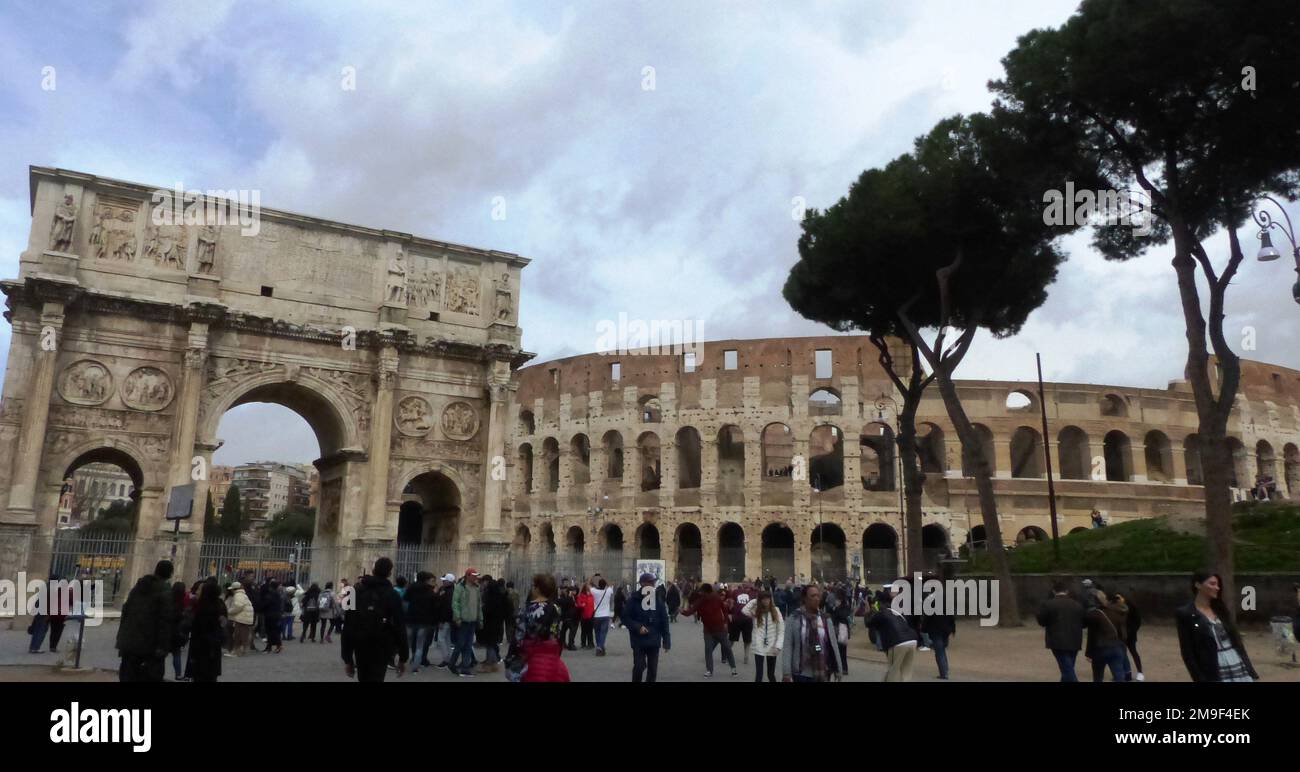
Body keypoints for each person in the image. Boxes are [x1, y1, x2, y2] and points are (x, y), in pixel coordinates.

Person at [1175, 570, 1258, 682]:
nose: (1217, 588)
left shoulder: (1221, 610)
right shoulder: (1186, 614)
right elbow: (1188, 652)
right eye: (1212, 584)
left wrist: (1249, 669)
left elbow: (1237, 643)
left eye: (1218, 584)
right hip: (1212, 667)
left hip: (1235, 662)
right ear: (1198, 585)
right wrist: (1198, 678)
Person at [341, 557, 409, 682]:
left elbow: (348, 624)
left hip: (361, 643)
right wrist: (403, 657)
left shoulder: (355, 592)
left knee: (363, 677)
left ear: (373, 570)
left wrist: (347, 658)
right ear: (389, 573)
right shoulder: (393, 595)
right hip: (382, 644)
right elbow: (399, 626)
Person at [116, 560, 176, 682]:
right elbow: (165, 621)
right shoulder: (164, 591)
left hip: (129, 641)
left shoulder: (138, 587)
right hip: (149, 645)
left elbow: (126, 611)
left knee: (127, 676)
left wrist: (121, 638)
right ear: (170, 574)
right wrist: (162, 647)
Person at [511, 574, 570, 682]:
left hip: (531, 658)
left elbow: (518, 638)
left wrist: (512, 659)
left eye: (534, 586)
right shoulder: (556, 609)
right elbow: (557, 634)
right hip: (552, 658)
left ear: (538, 589)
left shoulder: (528, 609)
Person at [782, 584, 843, 682]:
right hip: (801, 673)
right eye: (813, 596)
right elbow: (788, 645)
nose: (816, 599)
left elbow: (833, 644)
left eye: (818, 596)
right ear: (804, 598)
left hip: (823, 671)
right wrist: (786, 673)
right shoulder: (794, 618)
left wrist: (838, 668)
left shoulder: (825, 618)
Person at [622, 572, 672, 683]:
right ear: (642, 584)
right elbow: (625, 618)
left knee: (653, 670)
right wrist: (637, 626)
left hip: (654, 639)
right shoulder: (633, 599)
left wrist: (666, 640)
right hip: (638, 639)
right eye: (650, 582)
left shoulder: (658, 600)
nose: (653, 584)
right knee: (639, 667)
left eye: (653, 582)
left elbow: (664, 620)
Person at [682, 583, 736, 677]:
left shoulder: (716, 598)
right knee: (708, 649)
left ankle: (733, 668)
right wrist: (682, 611)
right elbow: (690, 612)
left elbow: (724, 610)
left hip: (720, 629)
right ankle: (709, 670)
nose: (702, 594)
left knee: (727, 647)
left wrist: (725, 622)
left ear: (706, 592)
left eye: (702, 592)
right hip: (708, 630)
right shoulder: (701, 600)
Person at [867, 586, 918, 682]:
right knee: (906, 671)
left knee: (893, 670)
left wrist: (868, 612)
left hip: (898, 641)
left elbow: (869, 623)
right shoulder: (895, 609)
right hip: (912, 639)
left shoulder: (882, 610)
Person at [1036, 580, 1085, 682]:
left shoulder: (1048, 604)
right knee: (1068, 667)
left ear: (1054, 591)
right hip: (1075, 639)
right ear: (1067, 591)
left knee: (1067, 669)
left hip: (1057, 640)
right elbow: (1084, 623)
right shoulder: (1077, 605)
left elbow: (1042, 621)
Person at [185, 578, 226, 682]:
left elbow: (196, 631)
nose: (196, 592)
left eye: (199, 590)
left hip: (203, 655)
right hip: (211, 654)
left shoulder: (204, 610)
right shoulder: (217, 605)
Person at [1084, 590, 1128, 682]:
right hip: (1116, 646)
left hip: (1101, 648)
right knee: (1119, 676)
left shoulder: (1095, 615)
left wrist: (1089, 652)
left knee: (1098, 677)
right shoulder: (1118, 611)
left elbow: (1091, 635)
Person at [743, 591, 784, 682]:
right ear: (760, 600)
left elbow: (781, 631)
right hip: (759, 645)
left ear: (770, 599)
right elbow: (744, 610)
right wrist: (755, 600)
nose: (766, 601)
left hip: (772, 645)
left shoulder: (776, 611)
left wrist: (778, 646)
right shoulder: (755, 611)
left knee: (771, 674)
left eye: (768, 599)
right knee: (759, 674)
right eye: (763, 599)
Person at [451, 568, 484, 677]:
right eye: (474, 575)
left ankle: (465, 667)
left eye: (476, 575)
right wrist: (457, 618)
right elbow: (455, 603)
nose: (476, 577)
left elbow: (479, 605)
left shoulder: (476, 588)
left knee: (468, 645)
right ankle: (453, 663)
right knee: (460, 644)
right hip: (463, 620)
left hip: (472, 620)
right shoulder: (460, 587)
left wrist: (480, 619)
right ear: (468, 576)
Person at [405, 572, 437, 672]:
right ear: (426, 579)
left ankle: (406, 661)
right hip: (424, 620)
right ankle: (415, 666)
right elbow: (434, 605)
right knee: (420, 644)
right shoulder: (429, 590)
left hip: (410, 619)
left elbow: (405, 600)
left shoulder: (411, 588)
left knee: (409, 643)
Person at [1113, 590, 1144, 681]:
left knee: (1133, 652)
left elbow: (1138, 621)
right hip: (1120, 635)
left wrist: (1132, 631)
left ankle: (1140, 672)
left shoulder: (1132, 607)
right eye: (1116, 598)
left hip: (1130, 635)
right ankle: (1123, 673)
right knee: (1121, 654)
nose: (1118, 600)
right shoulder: (1116, 608)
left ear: (1124, 597)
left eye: (1119, 598)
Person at [921, 607, 955, 680]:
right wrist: (952, 629)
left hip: (936, 631)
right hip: (945, 631)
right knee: (942, 650)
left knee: (939, 652)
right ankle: (945, 669)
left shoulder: (932, 605)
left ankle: (944, 672)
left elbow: (927, 618)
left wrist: (923, 629)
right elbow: (951, 619)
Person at [169, 581, 192, 681]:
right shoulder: (182, 603)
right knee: (176, 654)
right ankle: (178, 674)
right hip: (176, 633)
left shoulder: (168, 600)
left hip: (166, 631)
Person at [432, 573, 456, 668]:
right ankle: (448, 658)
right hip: (449, 619)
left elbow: (445, 607)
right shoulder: (450, 590)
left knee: (441, 639)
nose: (443, 581)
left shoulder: (447, 591)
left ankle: (446, 659)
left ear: (448, 581)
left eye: (444, 580)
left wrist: (441, 620)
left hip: (445, 619)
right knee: (447, 639)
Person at [225, 581, 254, 657]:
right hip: (246, 617)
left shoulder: (238, 595)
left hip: (242, 618)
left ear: (234, 589)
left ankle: (236, 652)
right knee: (243, 635)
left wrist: (229, 611)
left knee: (237, 635)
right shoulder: (243, 595)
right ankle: (241, 650)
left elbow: (238, 606)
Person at [727, 591, 755, 665]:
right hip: (742, 618)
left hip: (739, 618)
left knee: (736, 639)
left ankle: (745, 656)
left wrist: (730, 612)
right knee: (743, 639)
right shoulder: (751, 593)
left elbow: (730, 603)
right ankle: (745, 656)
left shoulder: (735, 592)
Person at [591, 577, 615, 655]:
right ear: (605, 585)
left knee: (597, 632)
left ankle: (599, 646)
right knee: (603, 633)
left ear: (598, 584)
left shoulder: (594, 591)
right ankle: (600, 647)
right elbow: (611, 584)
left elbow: (587, 584)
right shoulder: (608, 591)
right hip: (605, 615)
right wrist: (604, 577)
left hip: (596, 616)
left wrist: (593, 576)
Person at [260, 579, 284, 653]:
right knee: (272, 631)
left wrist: (259, 607)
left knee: (271, 631)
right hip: (276, 615)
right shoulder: (277, 594)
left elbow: (266, 604)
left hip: (270, 615)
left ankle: (278, 645)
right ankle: (269, 647)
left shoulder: (270, 595)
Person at [557, 586, 579, 651]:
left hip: (573, 617)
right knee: (565, 631)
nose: (574, 592)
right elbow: (563, 603)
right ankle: (568, 644)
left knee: (570, 631)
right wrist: (569, 596)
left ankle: (568, 643)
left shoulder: (574, 597)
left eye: (575, 591)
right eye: (573, 591)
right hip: (567, 617)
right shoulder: (564, 597)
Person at [576, 583, 596, 649]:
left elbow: (593, 605)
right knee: (584, 631)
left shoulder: (591, 596)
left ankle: (590, 643)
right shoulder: (581, 596)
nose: (589, 589)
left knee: (589, 631)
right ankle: (583, 643)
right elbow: (578, 604)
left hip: (590, 616)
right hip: (584, 616)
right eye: (588, 588)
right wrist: (582, 605)